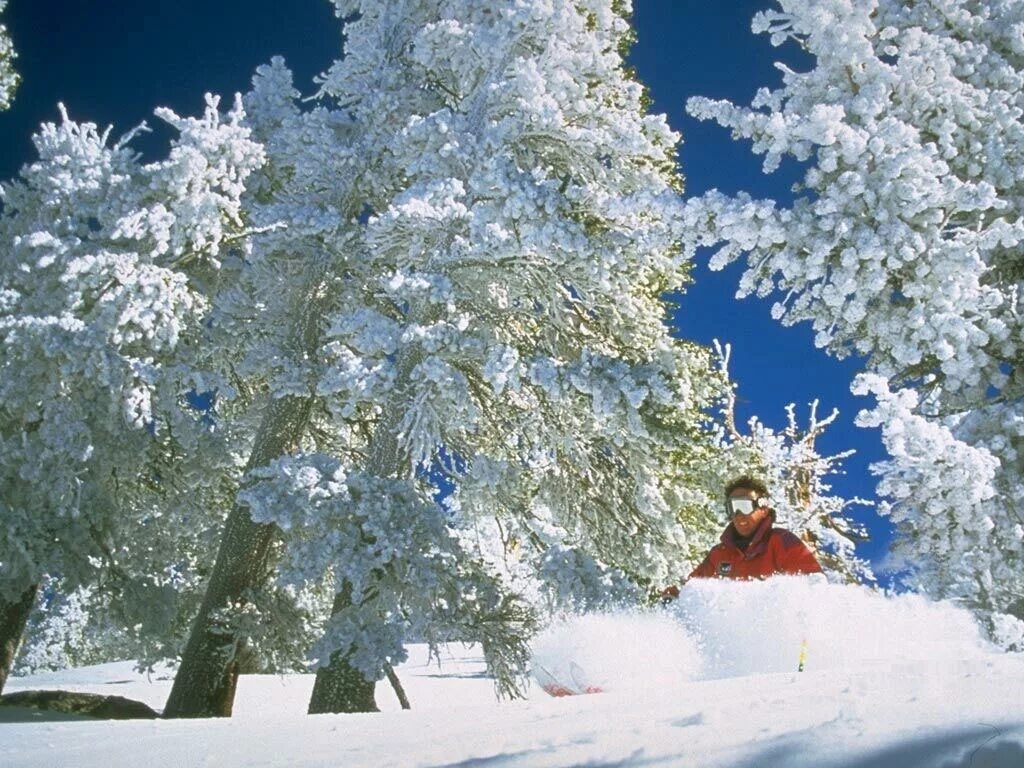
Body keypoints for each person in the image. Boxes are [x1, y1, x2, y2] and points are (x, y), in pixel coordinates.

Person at [662, 476, 822, 598]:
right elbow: (692, 591)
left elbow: (814, 584)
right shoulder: (720, 554)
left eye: (744, 506)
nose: (738, 515)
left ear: (763, 509)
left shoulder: (780, 542)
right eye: (732, 508)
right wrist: (675, 597)